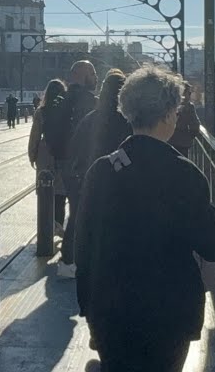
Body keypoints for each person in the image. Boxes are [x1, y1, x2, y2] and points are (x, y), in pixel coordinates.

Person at [75, 66, 215, 372]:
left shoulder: (102, 170)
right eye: (176, 112)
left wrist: (90, 310)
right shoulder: (183, 174)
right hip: (168, 315)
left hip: (110, 313)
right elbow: (214, 245)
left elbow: (84, 248)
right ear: (167, 115)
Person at [55, 60, 98, 277]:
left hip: (66, 161)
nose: (95, 77)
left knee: (77, 207)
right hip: (81, 163)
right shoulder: (87, 100)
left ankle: (72, 256)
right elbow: (89, 132)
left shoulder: (63, 99)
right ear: (82, 75)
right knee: (79, 210)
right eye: (92, 73)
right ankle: (69, 259)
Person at [66, 69, 131, 180]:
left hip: (90, 179)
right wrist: (113, 169)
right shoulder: (128, 122)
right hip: (118, 181)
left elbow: (75, 150)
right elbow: (130, 152)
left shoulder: (89, 119)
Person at [27, 79, 69, 232]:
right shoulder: (68, 110)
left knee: (45, 190)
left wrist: (32, 155)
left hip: (46, 154)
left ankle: (46, 226)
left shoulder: (41, 112)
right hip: (64, 152)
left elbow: (35, 136)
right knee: (60, 193)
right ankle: (58, 224)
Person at [168, 82, 203, 157]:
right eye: (189, 93)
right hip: (182, 143)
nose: (190, 95)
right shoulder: (189, 106)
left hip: (168, 141)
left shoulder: (168, 104)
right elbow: (195, 125)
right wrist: (189, 137)